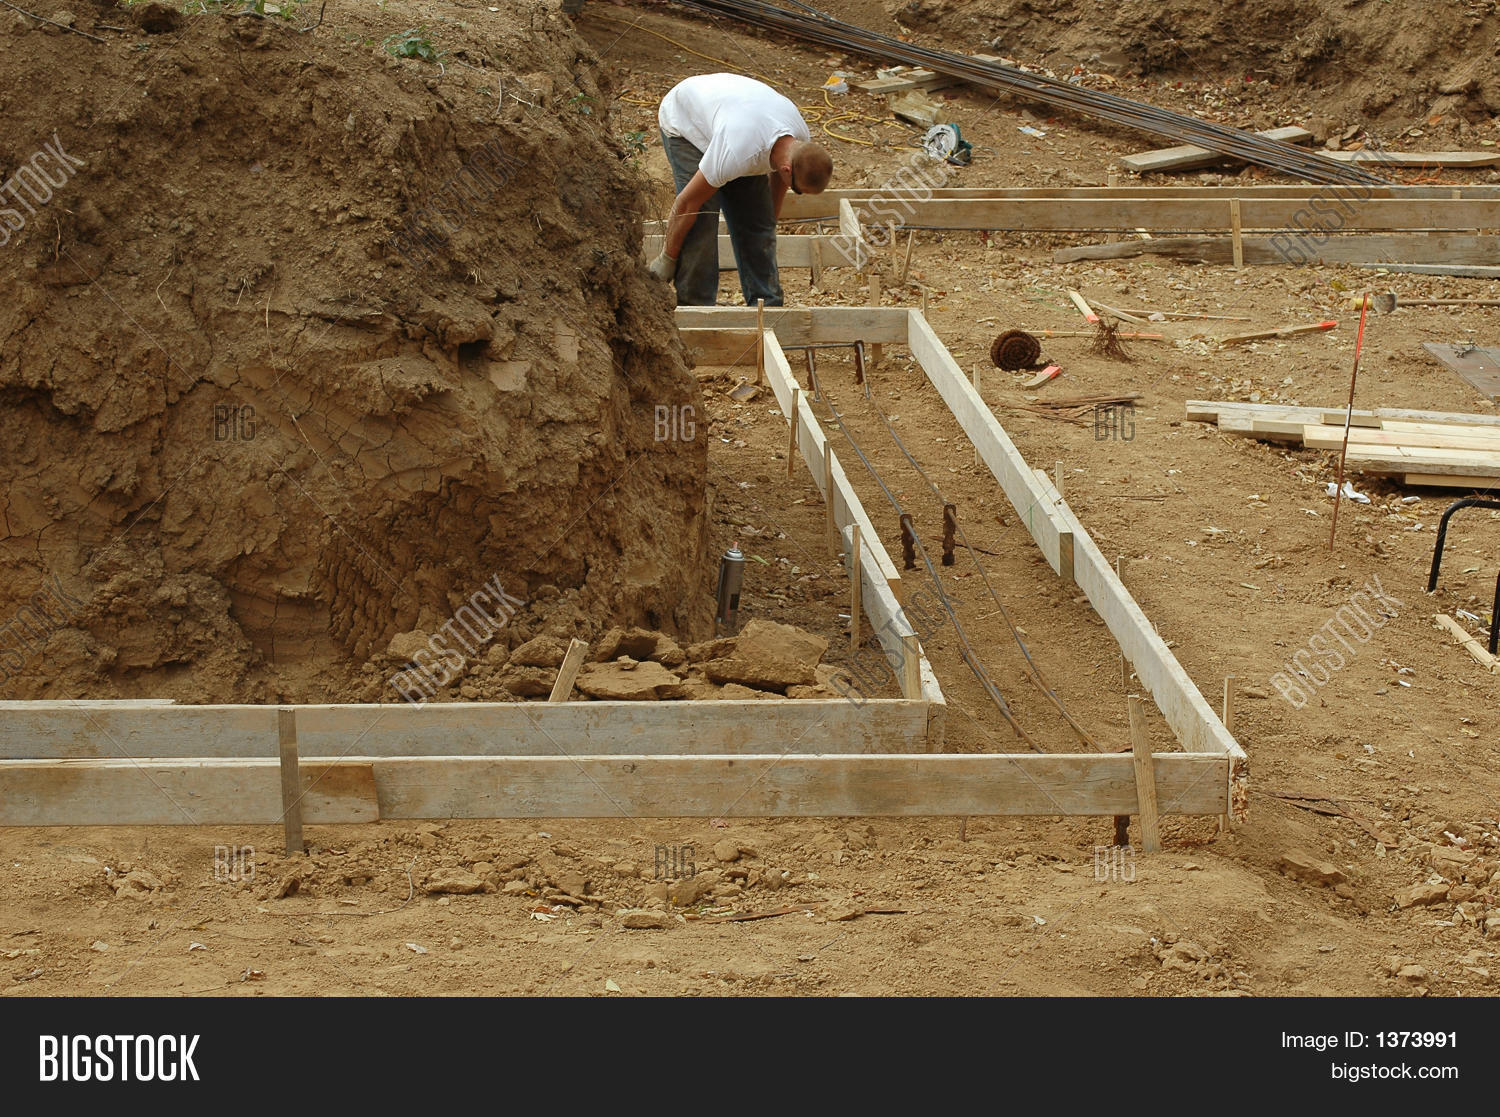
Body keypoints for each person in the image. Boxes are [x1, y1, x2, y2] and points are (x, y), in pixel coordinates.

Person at [647, 73, 833, 307]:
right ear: (788, 169)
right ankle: (697, 307)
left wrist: (766, 226)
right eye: (798, 189)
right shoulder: (737, 152)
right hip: (686, 123)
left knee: (757, 220)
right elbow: (686, 204)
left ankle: (767, 305)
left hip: (733, 117)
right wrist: (668, 257)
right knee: (703, 216)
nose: (797, 193)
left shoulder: (798, 140)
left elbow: (777, 184)